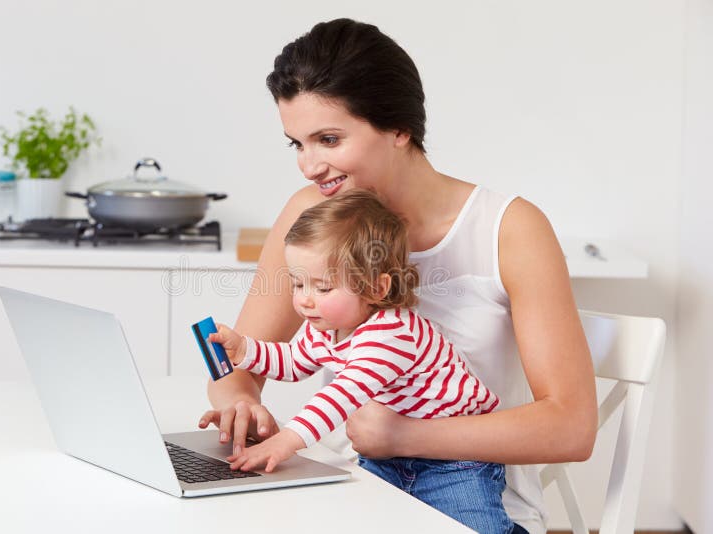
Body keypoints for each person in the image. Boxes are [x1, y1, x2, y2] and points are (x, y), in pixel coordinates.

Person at [198, 18, 597, 534]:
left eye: (329, 139)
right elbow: (243, 363)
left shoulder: (509, 230)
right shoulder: (310, 218)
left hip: (468, 499)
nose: (309, 166)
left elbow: (571, 427)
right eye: (296, 144)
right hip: (346, 492)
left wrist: (404, 436)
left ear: (398, 128)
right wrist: (240, 402)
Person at [210, 190, 511, 532]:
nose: (306, 301)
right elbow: (293, 363)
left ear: (376, 288)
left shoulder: (390, 333)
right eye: (298, 284)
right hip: (387, 456)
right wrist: (244, 349)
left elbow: (342, 395)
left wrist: (286, 441)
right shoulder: (327, 327)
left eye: (323, 288)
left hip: (456, 462)